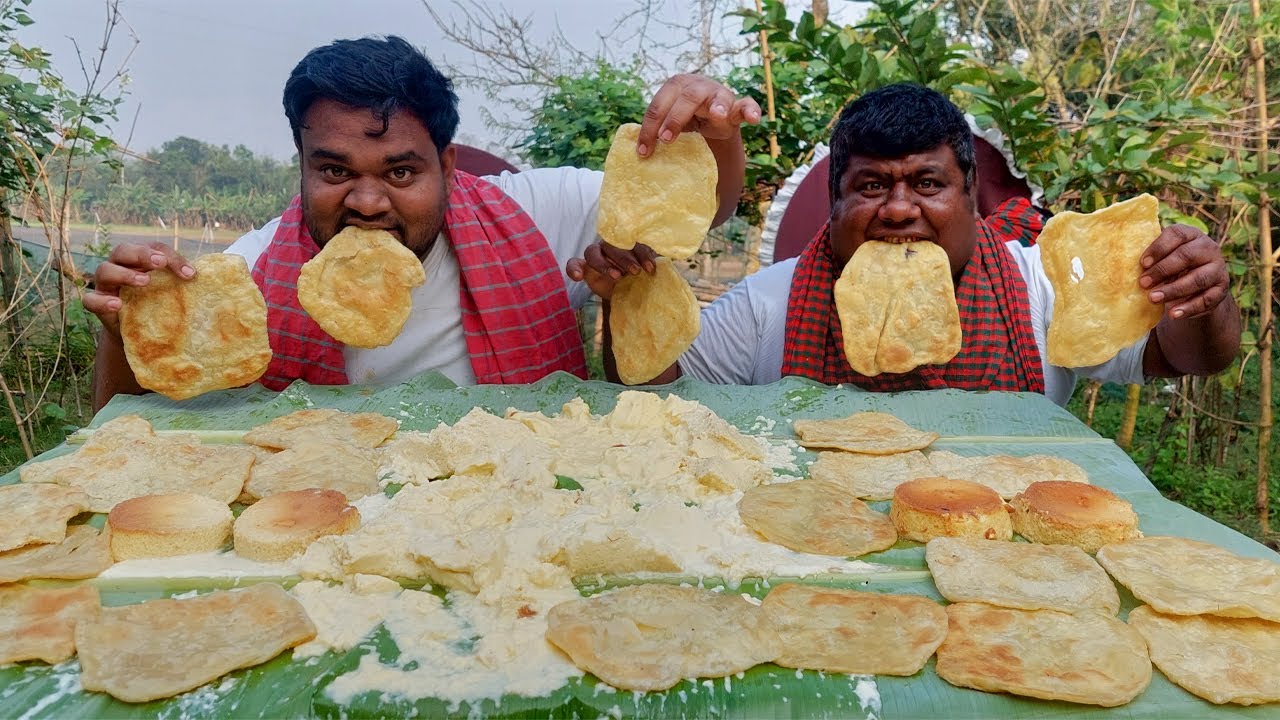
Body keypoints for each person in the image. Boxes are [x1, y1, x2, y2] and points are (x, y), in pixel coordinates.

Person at [84, 36, 760, 410]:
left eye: (401, 172)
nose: (368, 201)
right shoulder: (250, 272)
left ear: (446, 162)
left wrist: (714, 133)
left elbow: (705, 213)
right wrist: (126, 334)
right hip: (337, 520)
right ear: (301, 164)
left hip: (520, 496)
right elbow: (144, 427)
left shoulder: (534, 214)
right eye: (335, 171)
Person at [572, 83, 1241, 406]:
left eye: (927, 183)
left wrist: (1200, 299)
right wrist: (628, 301)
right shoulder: (765, 310)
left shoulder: (1044, 288)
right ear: (833, 206)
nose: (898, 209)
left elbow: (1183, 359)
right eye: (869, 186)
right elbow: (657, 399)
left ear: (969, 196)